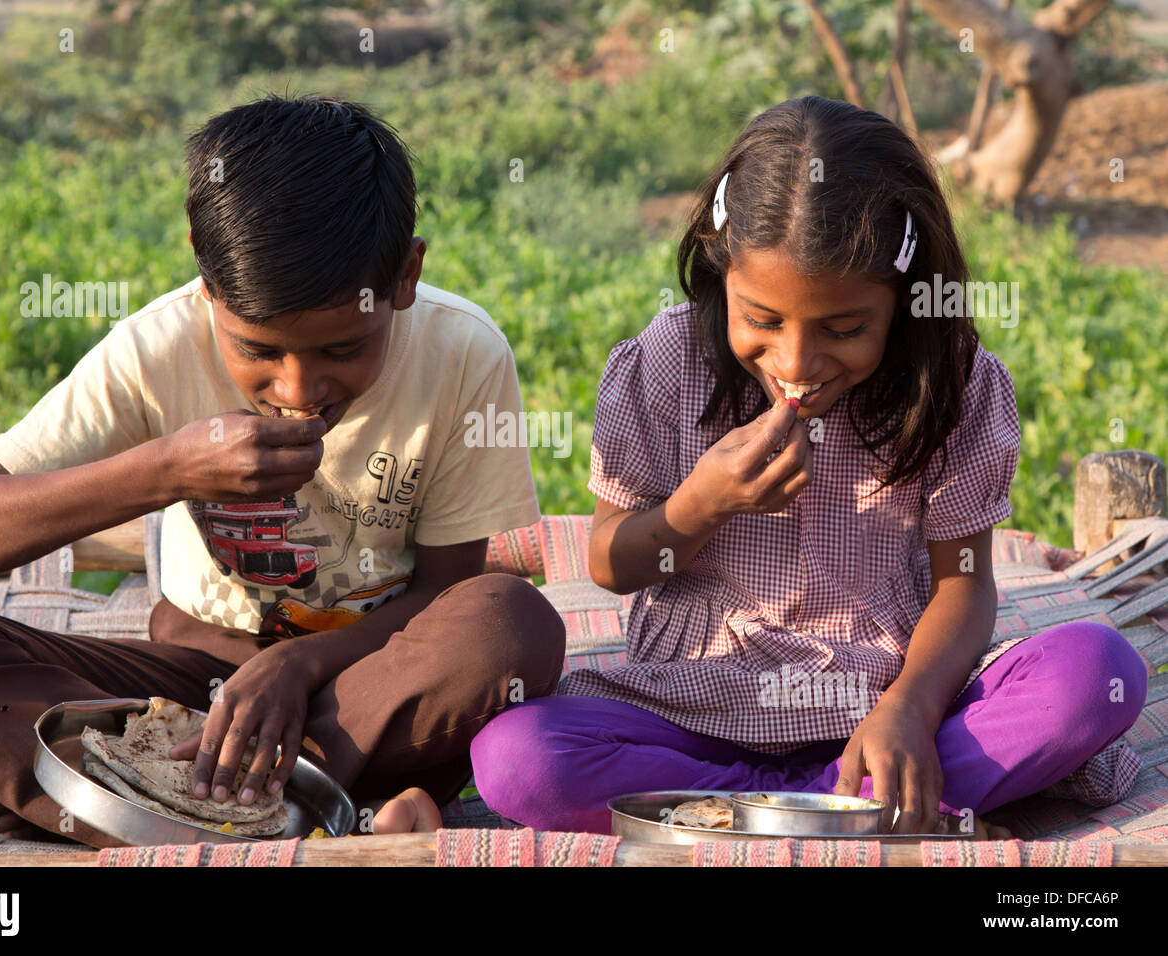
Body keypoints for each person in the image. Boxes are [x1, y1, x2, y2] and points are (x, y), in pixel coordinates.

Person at [0, 94, 565, 848]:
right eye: (258, 352)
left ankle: (120, 795)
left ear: (406, 275)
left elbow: (446, 595)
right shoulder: (158, 348)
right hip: (188, 681)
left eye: (341, 351)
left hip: (365, 680)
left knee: (509, 622)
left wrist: (301, 665)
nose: (298, 391)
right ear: (205, 273)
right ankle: (317, 809)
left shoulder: (461, 353)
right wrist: (166, 469)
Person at [470, 95, 1146, 837]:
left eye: (845, 328)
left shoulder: (951, 386)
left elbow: (963, 581)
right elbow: (610, 563)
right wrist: (700, 505)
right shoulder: (669, 362)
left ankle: (748, 816)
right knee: (517, 759)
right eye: (761, 320)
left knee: (1095, 673)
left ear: (904, 298)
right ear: (720, 273)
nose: (796, 363)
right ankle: (847, 813)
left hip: (882, 706)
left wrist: (911, 710)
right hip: (695, 708)